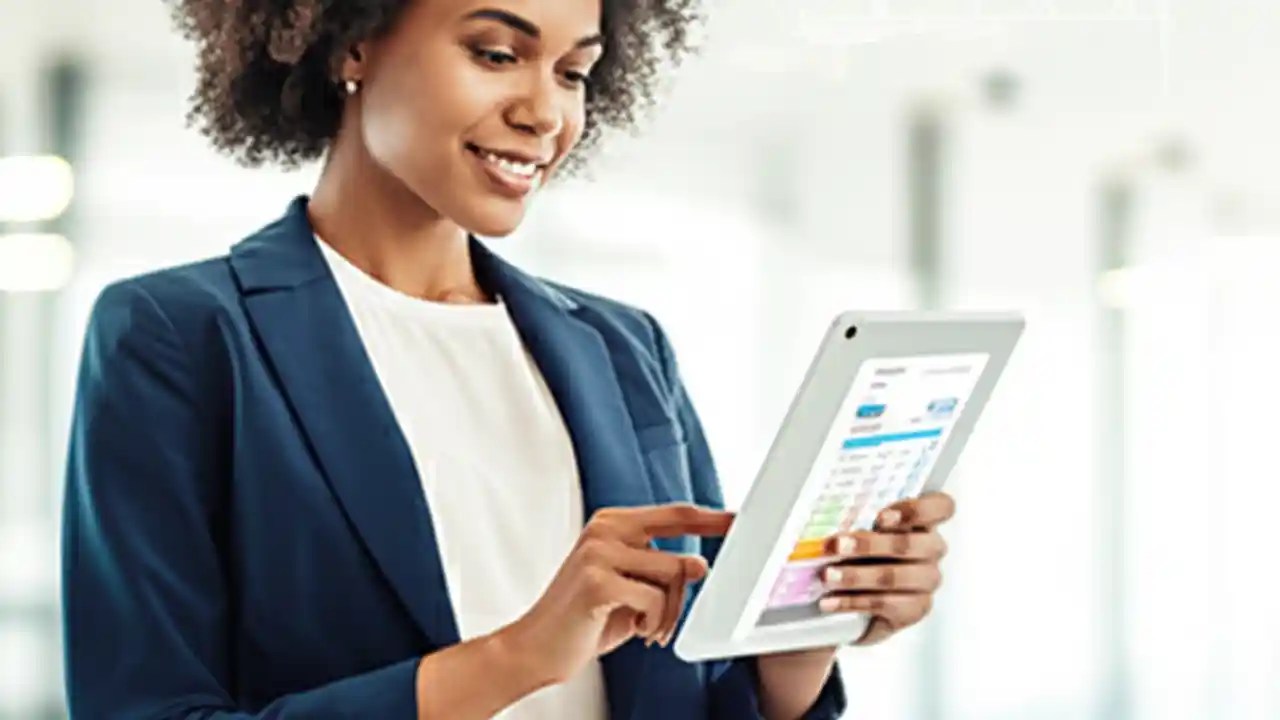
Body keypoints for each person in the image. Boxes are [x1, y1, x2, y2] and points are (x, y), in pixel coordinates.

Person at [60, 0, 956, 718]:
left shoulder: (623, 348)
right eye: (496, 53)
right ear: (351, 42)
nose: (544, 112)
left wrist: (804, 631)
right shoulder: (180, 335)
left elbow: (703, 699)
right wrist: (517, 658)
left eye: (573, 72)